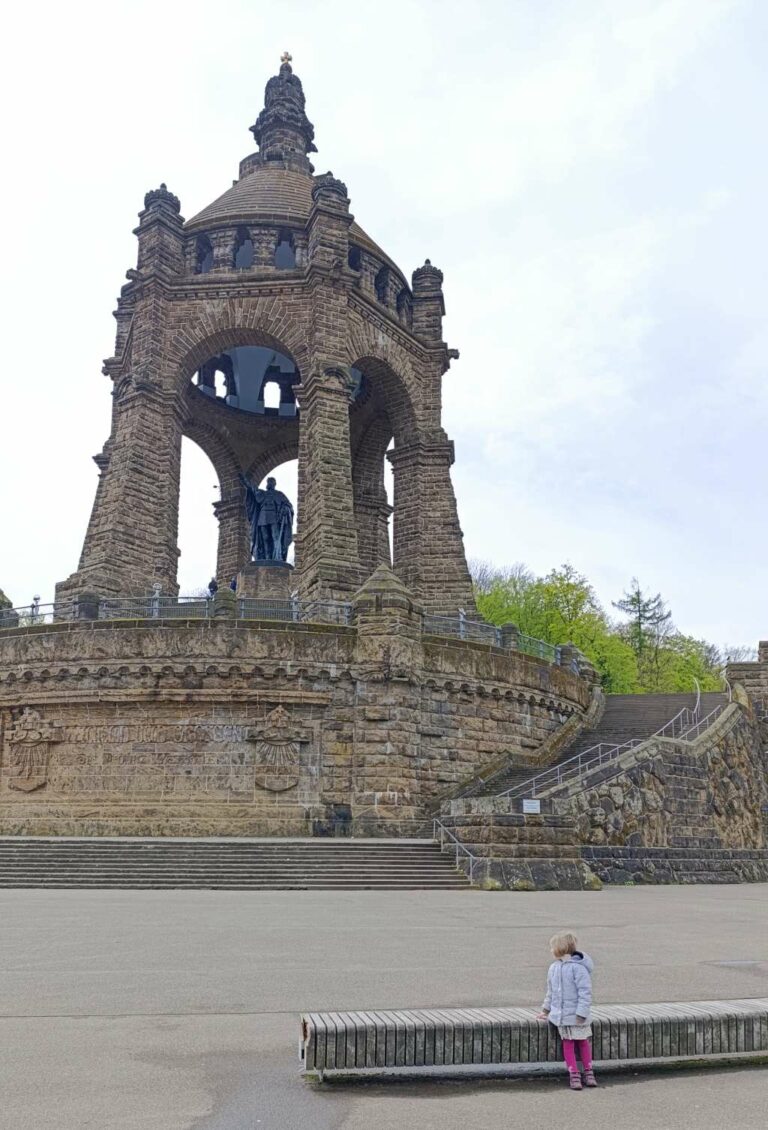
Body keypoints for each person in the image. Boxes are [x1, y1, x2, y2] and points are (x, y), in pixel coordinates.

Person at [537, 931, 596, 1090]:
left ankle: (589, 1072)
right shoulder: (554, 968)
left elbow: (585, 992)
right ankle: (574, 1073)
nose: (551, 950)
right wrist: (546, 1010)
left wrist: (581, 1013)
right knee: (568, 1044)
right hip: (561, 1016)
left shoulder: (578, 969)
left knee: (583, 1042)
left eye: (552, 947)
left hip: (577, 1016)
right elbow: (551, 992)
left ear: (561, 948)